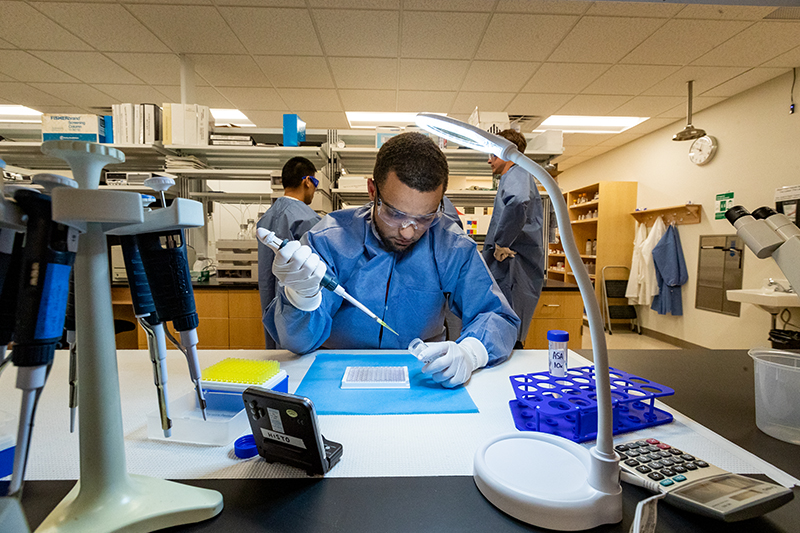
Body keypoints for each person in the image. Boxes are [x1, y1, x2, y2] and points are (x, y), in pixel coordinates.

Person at [264, 132, 520, 388]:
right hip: (336, 378)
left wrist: (471, 352)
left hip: (423, 378)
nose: (408, 231)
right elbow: (297, 343)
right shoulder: (329, 240)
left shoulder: (450, 245)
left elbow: (498, 317)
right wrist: (302, 298)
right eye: (396, 214)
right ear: (372, 191)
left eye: (424, 217)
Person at [482, 129, 545, 349]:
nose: (489, 160)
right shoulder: (515, 176)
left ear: (507, 152)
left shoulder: (517, 173)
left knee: (510, 331)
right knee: (508, 329)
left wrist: (502, 243)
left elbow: (518, 201)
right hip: (512, 267)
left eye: (493, 154)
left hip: (512, 267)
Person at [257, 156, 321, 348]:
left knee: (276, 351)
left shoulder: (266, 217)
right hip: (297, 304)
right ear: (307, 181)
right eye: (315, 183)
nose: (315, 190)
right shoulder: (309, 220)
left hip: (269, 297)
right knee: (296, 346)